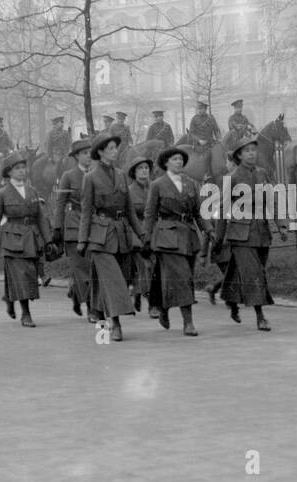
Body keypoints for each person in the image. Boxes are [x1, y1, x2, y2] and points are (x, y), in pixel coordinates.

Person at [212, 135, 287, 331]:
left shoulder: (263, 174)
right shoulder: (232, 178)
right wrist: (219, 239)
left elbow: (272, 201)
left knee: (244, 272)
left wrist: (281, 225)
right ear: (238, 155)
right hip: (240, 234)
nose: (251, 153)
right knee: (255, 275)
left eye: (254, 149)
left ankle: (231, 301)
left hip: (262, 232)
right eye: (246, 151)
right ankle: (260, 316)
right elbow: (223, 209)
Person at [77, 134, 146, 342]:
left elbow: (130, 210)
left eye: (116, 148)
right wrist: (82, 240)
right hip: (100, 237)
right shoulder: (90, 177)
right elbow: (86, 211)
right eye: (111, 148)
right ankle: (115, 324)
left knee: (113, 281)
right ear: (100, 152)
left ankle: (99, 318)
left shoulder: (121, 174)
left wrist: (142, 234)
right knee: (113, 280)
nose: (115, 151)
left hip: (122, 233)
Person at [144, 146, 210, 336]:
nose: (179, 162)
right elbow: (150, 213)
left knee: (185, 279)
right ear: (166, 163)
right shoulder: (157, 185)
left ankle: (164, 307)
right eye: (175, 159)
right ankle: (188, 322)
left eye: (181, 159)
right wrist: (146, 238)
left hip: (188, 237)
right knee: (182, 278)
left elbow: (198, 211)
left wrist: (208, 229)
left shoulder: (190, 183)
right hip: (167, 237)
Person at [0, 153, 54, 327]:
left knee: (29, 273)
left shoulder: (32, 191)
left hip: (31, 239)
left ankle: (10, 298)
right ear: (9, 172)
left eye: (24, 167)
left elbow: (40, 217)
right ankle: (26, 313)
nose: (22, 171)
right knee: (22, 275)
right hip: (12, 240)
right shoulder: (2, 194)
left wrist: (48, 241)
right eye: (17, 168)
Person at [52, 138, 93, 319]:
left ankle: (77, 294)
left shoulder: (98, 174)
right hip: (74, 226)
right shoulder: (69, 176)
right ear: (76, 156)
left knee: (93, 268)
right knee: (82, 268)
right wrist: (57, 229)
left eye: (90, 152)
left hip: (94, 227)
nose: (89, 156)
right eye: (84, 153)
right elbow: (60, 205)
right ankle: (92, 308)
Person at [125, 154, 155, 316]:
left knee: (155, 268)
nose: (144, 171)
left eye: (146, 168)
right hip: (137, 236)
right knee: (146, 268)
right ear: (134, 173)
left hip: (155, 234)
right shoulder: (129, 192)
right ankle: (151, 304)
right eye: (140, 168)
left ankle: (137, 291)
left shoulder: (154, 188)